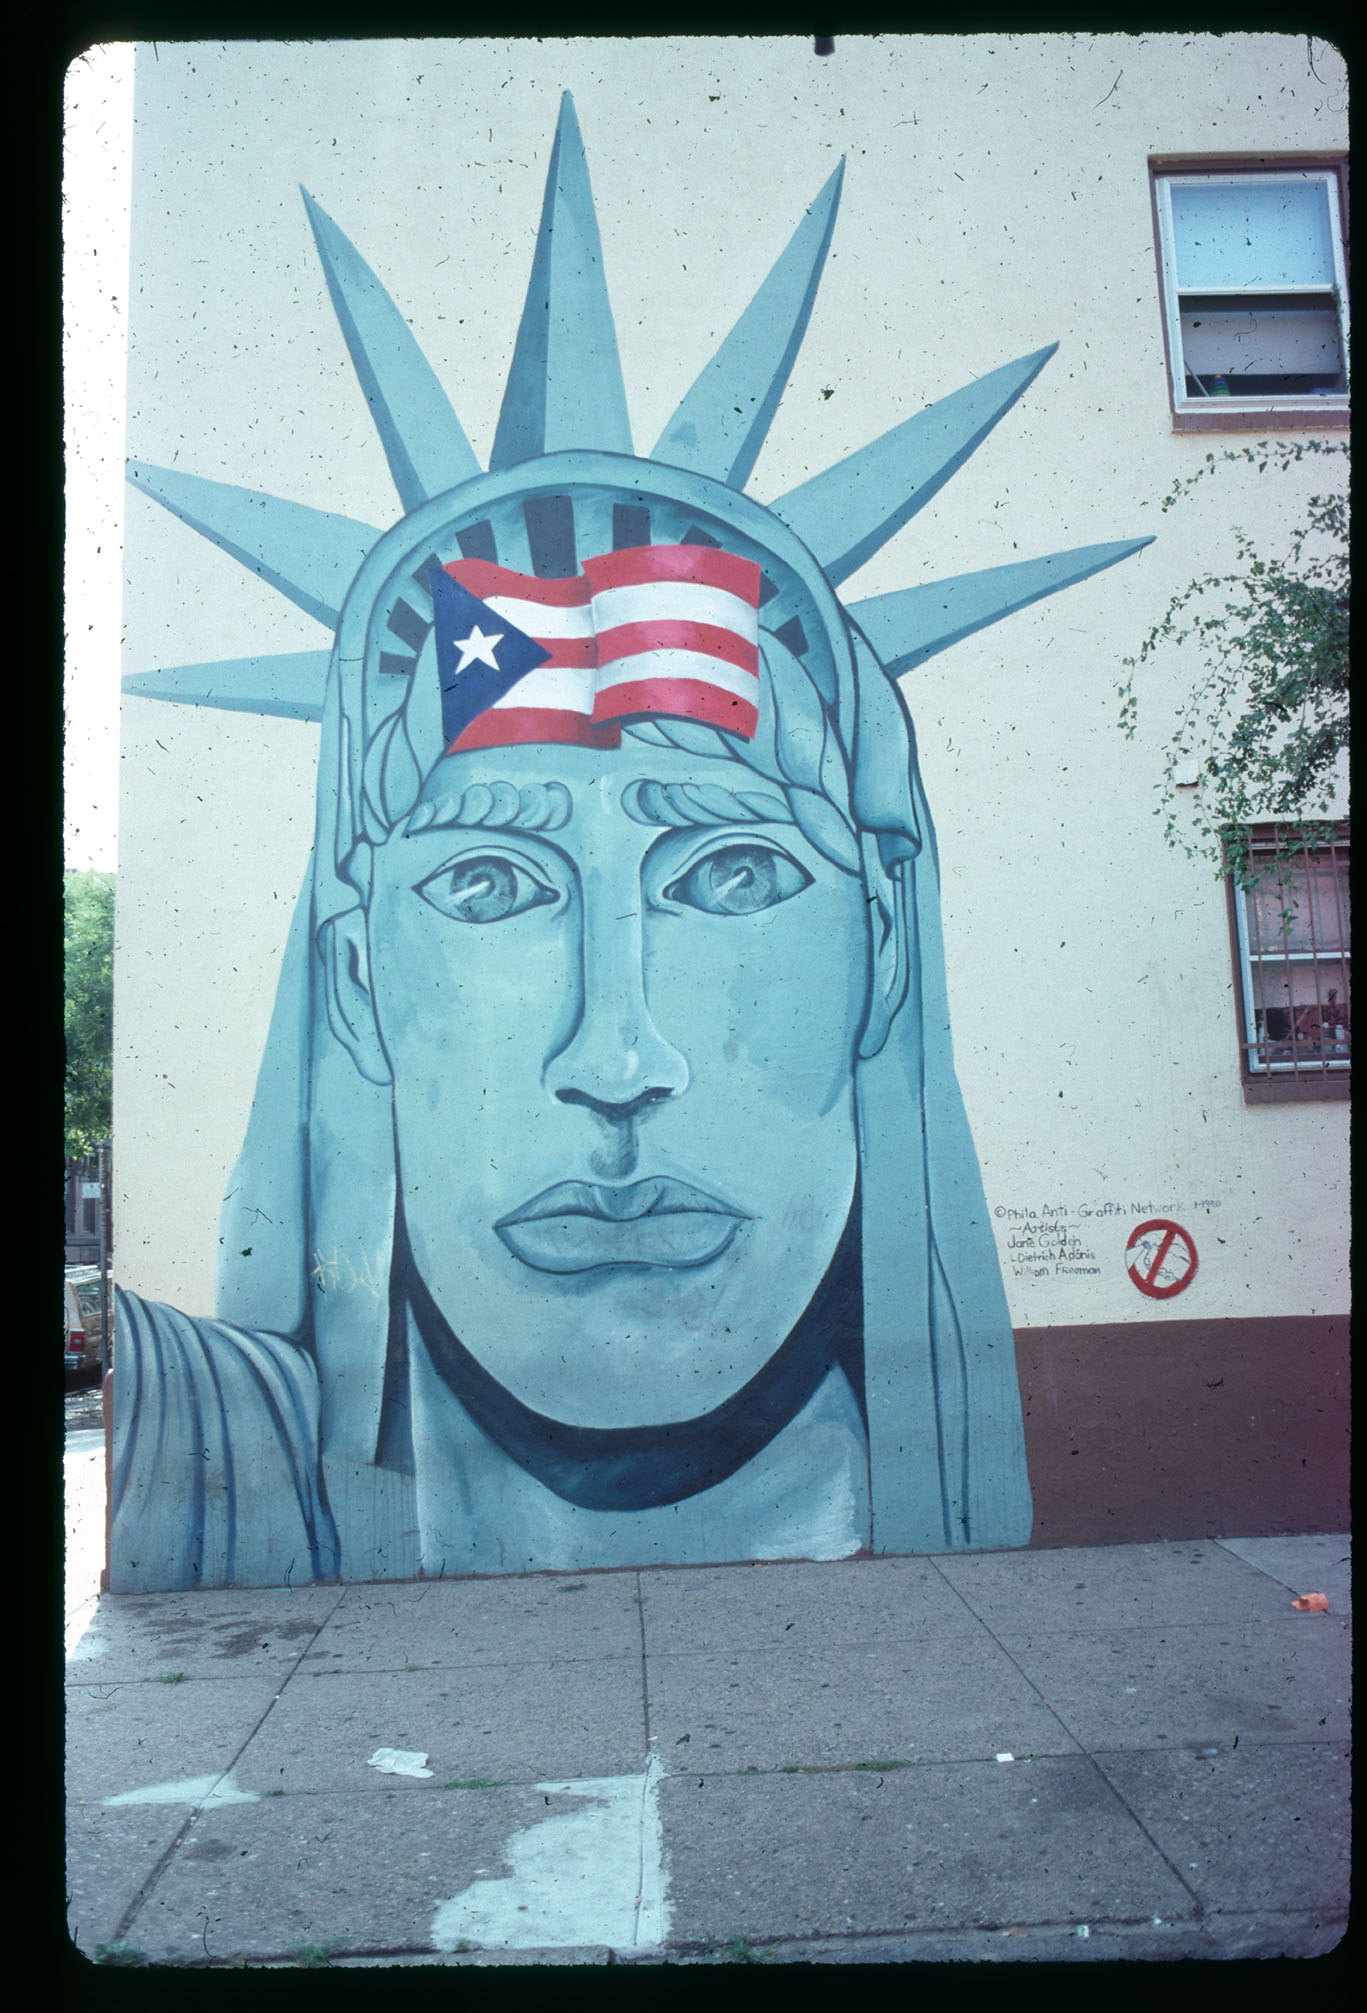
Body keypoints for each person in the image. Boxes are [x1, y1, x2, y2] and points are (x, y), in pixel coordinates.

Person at [112, 97, 1147, 1591]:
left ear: (881, 947)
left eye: (730, 872)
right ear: (354, 977)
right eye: (489, 883)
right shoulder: (200, 1473)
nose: (616, 1057)